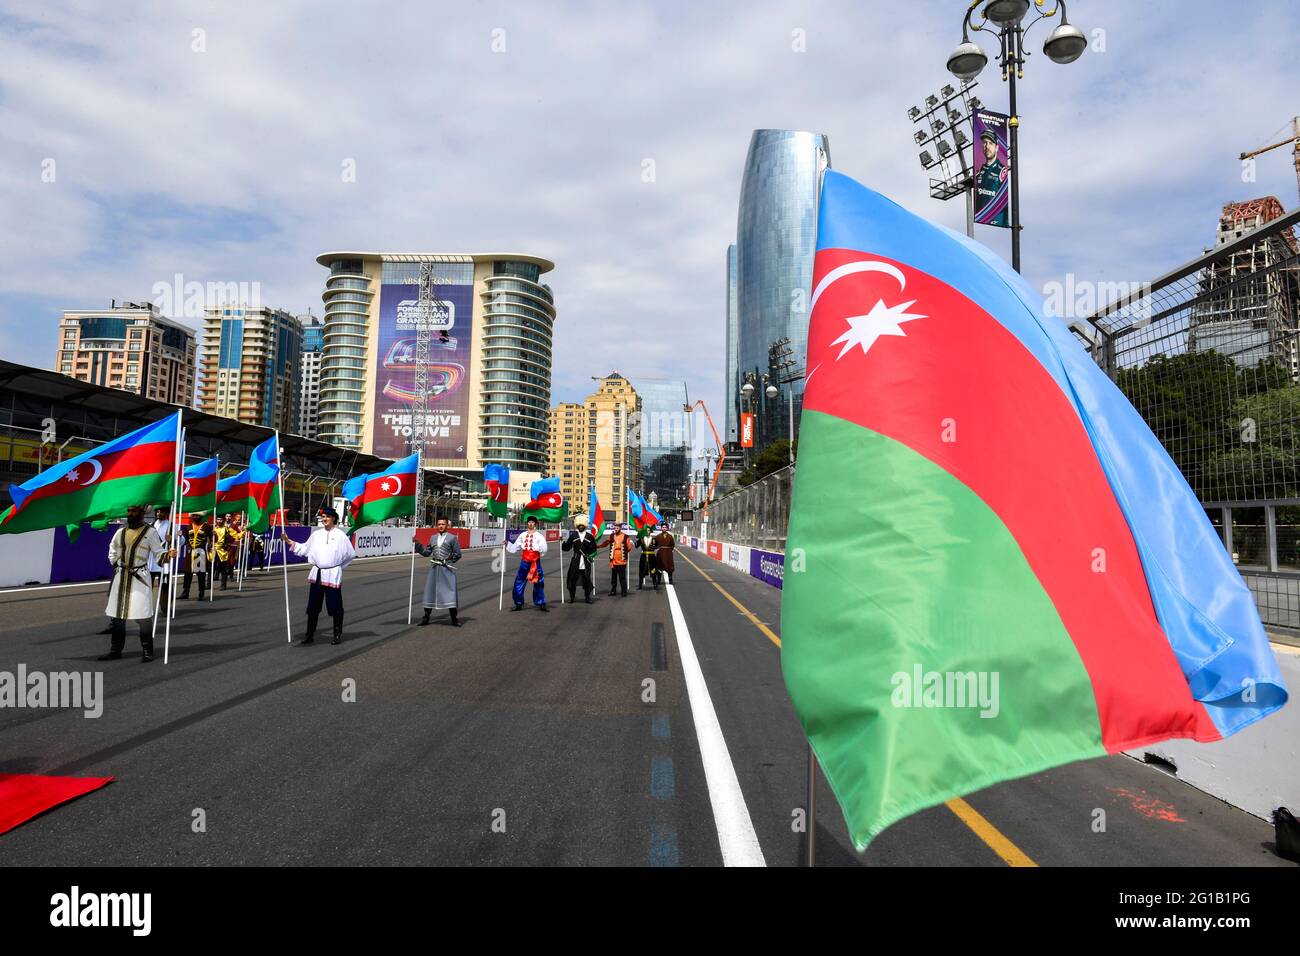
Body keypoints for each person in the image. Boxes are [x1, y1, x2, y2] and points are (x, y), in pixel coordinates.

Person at [100, 504, 176, 663]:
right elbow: (112, 551)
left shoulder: (150, 532)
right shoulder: (120, 532)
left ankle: (147, 650)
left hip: (140, 579)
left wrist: (168, 555)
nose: (130, 514)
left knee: (143, 616)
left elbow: (158, 554)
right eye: (128, 511)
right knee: (117, 617)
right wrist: (117, 566)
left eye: (133, 511)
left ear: (141, 513)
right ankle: (115, 650)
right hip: (121, 578)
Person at [281, 506, 355, 645]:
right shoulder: (316, 534)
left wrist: (338, 568)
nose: (324, 519)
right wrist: (288, 540)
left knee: (335, 606)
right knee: (313, 607)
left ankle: (337, 634)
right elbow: (305, 549)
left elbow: (350, 555)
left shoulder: (340, 535)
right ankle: (309, 635)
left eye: (327, 516)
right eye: (323, 517)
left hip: (332, 575)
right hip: (317, 574)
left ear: (333, 518)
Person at [416, 516, 462, 626]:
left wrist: (448, 562)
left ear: (447, 526)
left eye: (443, 524)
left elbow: (458, 554)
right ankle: (426, 617)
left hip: (446, 570)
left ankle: (454, 619)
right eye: (439, 524)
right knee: (430, 592)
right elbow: (427, 552)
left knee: (450, 593)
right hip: (434, 569)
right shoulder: (432, 538)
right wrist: (417, 545)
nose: (440, 526)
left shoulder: (452, 538)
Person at [506, 516, 548, 611]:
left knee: (538, 582)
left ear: (535, 524)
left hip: (535, 562)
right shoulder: (522, 535)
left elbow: (544, 548)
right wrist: (507, 544)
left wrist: (538, 553)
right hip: (524, 561)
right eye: (529, 522)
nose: (530, 524)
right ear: (527, 523)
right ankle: (518, 603)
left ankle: (541, 603)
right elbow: (516, 546)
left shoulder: (539, 535)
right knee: (519, 581)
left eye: (532, 522)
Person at [562, 517, 599, 604]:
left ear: (585, 526)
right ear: (577, 526)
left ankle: (587, 597)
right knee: (572, 580)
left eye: (582, 525)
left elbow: (594, 549)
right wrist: (563, 543)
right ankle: (572, 597)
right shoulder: (573, 536)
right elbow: (567, 547)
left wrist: (590, 555)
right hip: (575, 561)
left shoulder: (589, 536)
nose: (581, 526)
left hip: (586, 562)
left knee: (586, 580)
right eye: (579, 525)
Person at [180, 512, 213, 599]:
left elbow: (212, 539)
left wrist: (214, 536)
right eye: (194, 515)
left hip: (200, 552)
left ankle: (201, 593)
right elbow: (186, 539)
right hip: (190, 553)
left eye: (197, 515)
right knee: (187, 573)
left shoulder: (207, 527)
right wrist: (187, 546)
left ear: (201, 516)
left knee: (201, 574)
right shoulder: (188, 527)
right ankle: (185, 592)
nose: (195, 517)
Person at [603, 523, 634, 597]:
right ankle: (613, 591)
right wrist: (597, 546)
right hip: (613, 560)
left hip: (622, 561)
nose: (616, 529)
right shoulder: (611, 536)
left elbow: (629, 548)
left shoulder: (626, 536)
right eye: (615, 528)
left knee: (622, 577)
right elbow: (606, 543)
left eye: (617, 528)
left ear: (620, 528)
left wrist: (625, 550)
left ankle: (624, 591)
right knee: (613, 577)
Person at [213, 515, 235, 590]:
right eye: (218, 519)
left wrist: (227, 542)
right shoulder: (213, 528)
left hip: (222, 551)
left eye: (220, 520)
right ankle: (208, 584)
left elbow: (234, 536)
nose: (219, 521)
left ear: (223, 520)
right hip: (213, 550)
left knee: (223, 568)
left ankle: (223, 585)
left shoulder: (227, 529)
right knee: (210, 568)